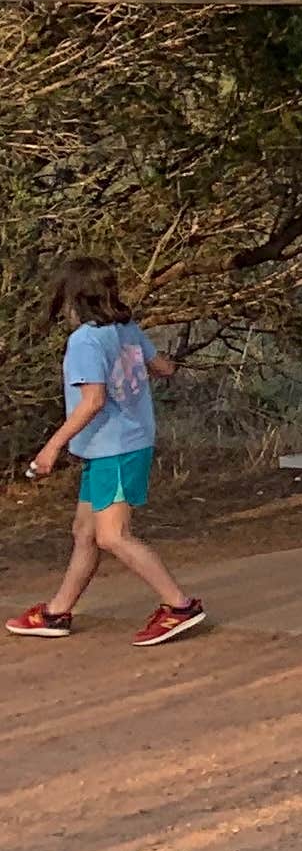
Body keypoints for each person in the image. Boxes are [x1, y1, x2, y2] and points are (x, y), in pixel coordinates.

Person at [9, 255, 205, 644]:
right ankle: (57, 612)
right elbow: (161, 367)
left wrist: (50, 448)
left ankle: (179, 605)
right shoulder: (126, 328)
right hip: (116, 446)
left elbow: (93, 399)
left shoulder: (84, 341)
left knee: (112, 536)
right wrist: (166, 367)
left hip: (115, 447)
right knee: (85, 531)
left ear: (72, 299)